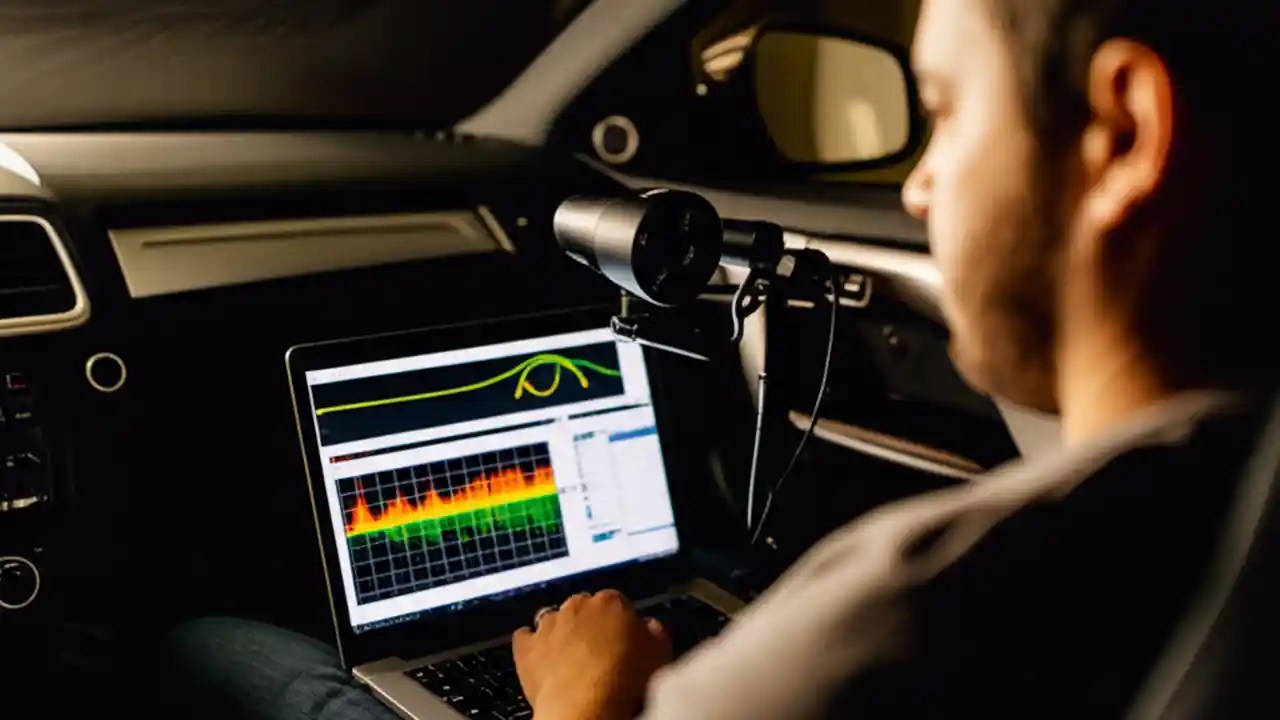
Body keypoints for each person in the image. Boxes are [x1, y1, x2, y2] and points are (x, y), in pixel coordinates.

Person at [172, 0, 1274, 717]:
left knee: (213, 644)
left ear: (1120, 131)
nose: (915, 188)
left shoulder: (894, 615)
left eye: (939, 112)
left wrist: (585, 704)